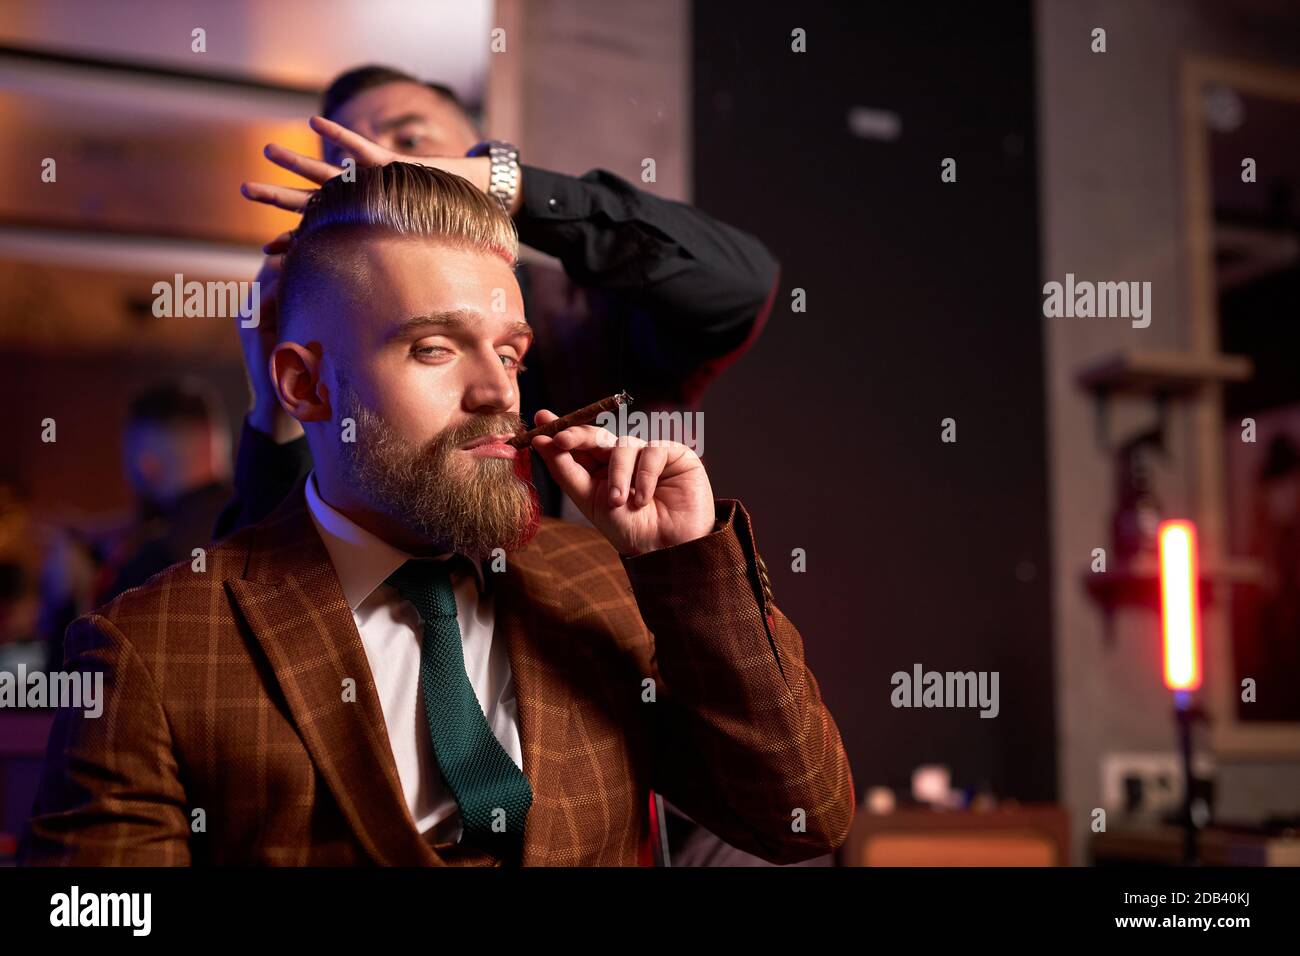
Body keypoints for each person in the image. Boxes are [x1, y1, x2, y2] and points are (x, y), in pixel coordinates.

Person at [21, 164, 852, 866]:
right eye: (434, 349)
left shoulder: (603, 580)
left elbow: (800, 815)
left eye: (511, 352)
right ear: (306, 385)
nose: (498, 391)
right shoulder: (149, 648)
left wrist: (685, 565)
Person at [217, 64, 779, 535]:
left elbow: (738, 285)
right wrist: (278, 417)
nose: (372, 166)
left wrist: (502, 183)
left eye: (410, 141)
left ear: (472, 156)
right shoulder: (330, 343)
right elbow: (259, 591)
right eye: (343, 163)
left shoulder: (579, 313)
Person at [96, 382, 233, 605]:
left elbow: (97, 637)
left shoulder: (155, 561)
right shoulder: (256, 521)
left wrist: (68, 595)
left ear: (146, 462)